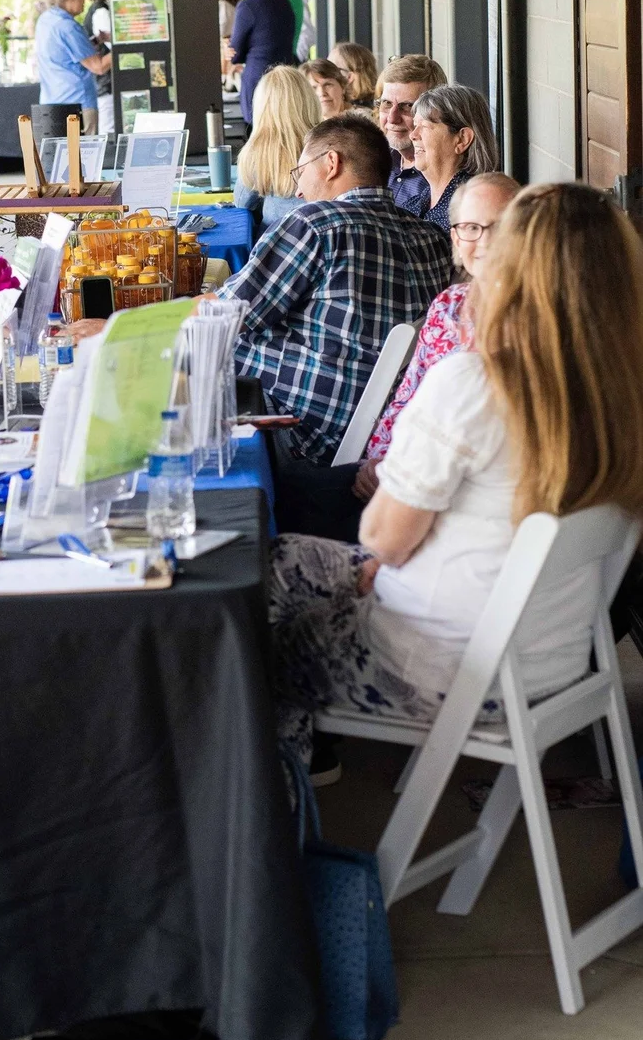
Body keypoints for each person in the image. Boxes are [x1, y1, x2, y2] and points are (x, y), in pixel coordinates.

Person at [268, 182, 643, 772]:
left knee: (245, 632)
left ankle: (266, 825)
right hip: (553, 663)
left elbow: (383, 540)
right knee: (283, 558)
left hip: (437, 670)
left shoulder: (474, 384)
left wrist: (381, 557)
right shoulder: (623, 395)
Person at [276, 173, 522, 543]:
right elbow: (407, 396)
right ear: (455, 236)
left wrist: (398, 472)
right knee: (278, 493)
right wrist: (377, 461)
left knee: (281, 526)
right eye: (470, 227)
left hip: (448, 497)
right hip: (395, 471)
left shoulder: (533, 322)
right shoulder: (449, 305)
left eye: (500, 227)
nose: (484, 240)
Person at [220, 114, 452, 464]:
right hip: (391, 426)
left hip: (312, 431)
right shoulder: (431, 237)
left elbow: (225, 315)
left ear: (331, 163)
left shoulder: (315, 223)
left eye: (300, 173)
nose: (297, 190)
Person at [233, 66, 321, 233]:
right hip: (320, 241)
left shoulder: (257, 152)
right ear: (309, 100)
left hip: (273, 247)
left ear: (261, 107)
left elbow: (242, 203)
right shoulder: (328, 143)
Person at [400, 83, 498, 230]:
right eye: (415, 126)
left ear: (462, 139)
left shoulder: (472, 212)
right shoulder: (412, 206)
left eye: (425, 127)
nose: (413, 135)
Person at [34, 0, 111, 137]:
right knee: (83, 160)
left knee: (58, 160)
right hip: (77, 106)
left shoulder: (46, 20)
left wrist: (96, 41)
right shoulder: (68, 27)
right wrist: (124, 45)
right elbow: (98, 67)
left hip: (51, 104)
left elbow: (65, 54)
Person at [228, 0, 296, 126]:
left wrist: (227, 49)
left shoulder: (248, 6)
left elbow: (235, 54)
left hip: (258, 79)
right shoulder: (283, 2)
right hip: (285, 78)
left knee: (257, 131)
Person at [378, 53, 446, 212]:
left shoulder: (442, 180)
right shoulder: (375, 162)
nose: (392, 118)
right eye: (387, 104)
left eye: (408, 106)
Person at [83, 0, 121, 135]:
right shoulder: (101, 12)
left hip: (107, 83)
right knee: (109, 131)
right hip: (107, 83)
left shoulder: (102, 9)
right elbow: (114, 44)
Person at [329, 42, 377, 109]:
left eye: (330, 69)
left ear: (349, 77)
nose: (326, 74)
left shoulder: (344, 112)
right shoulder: (379, 105)